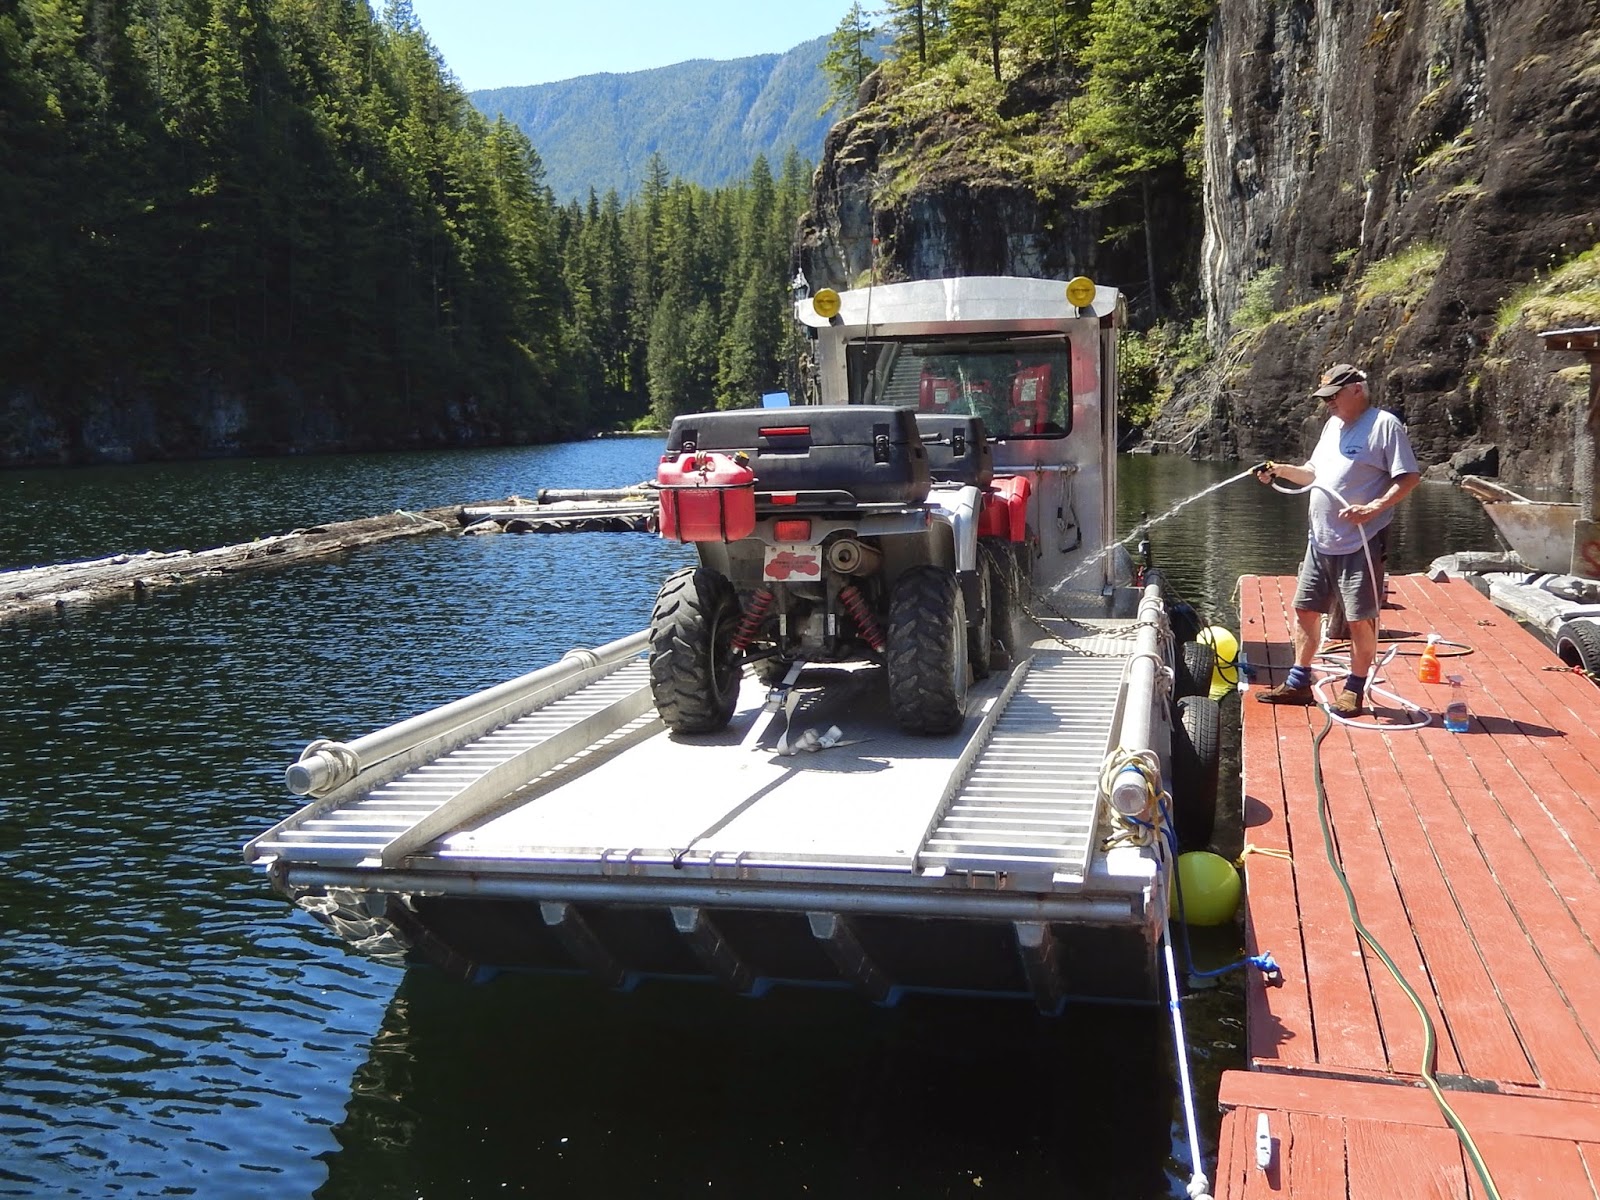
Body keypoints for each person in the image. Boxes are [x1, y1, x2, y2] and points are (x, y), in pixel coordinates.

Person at [1253, 364, 1421, 716]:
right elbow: (1313, 474)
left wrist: (1373, 507)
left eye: (1333, 396)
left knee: (1360, 618)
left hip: (1361, 539)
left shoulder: (1384, 425)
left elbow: (1408, 478)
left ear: (1357, 390)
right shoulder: (1332, 426)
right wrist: (1280, 470)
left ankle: (1354, 689)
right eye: (1324, 397)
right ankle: (1299, 682)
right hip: (1320, 539)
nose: (1327, 403)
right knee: (1305, 609)